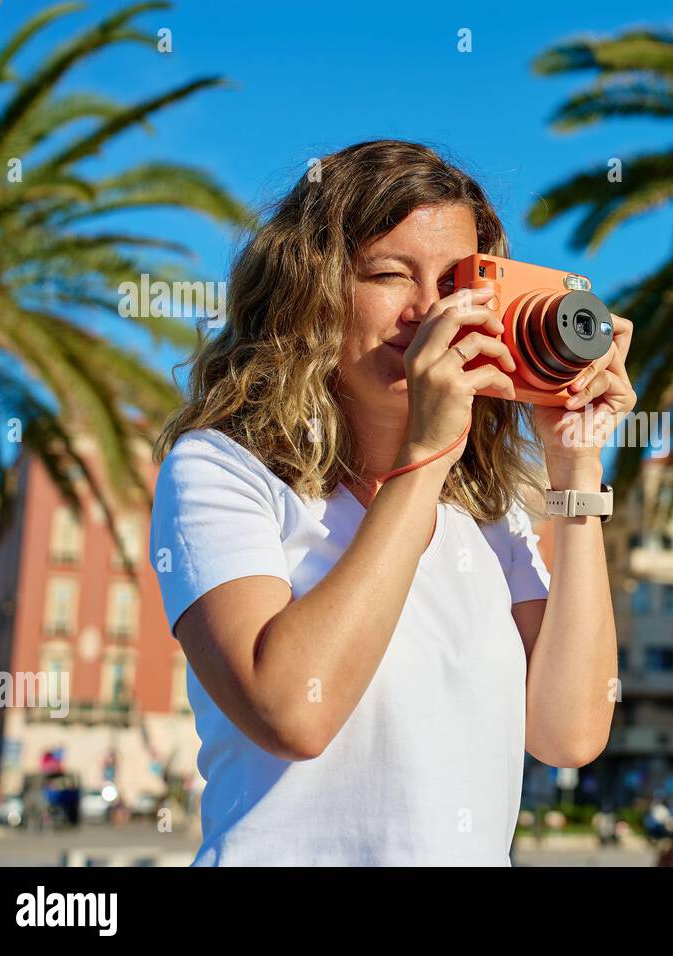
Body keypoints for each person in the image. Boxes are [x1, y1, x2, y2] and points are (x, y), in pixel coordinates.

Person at [149, 141, 636, 865]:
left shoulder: (484, 517)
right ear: (307, 294)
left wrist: (574, 465)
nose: (430, 310)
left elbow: (568, 733)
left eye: (456, 281)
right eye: (388, 274)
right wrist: (426, 459)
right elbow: (293, 713)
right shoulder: (223, 472)